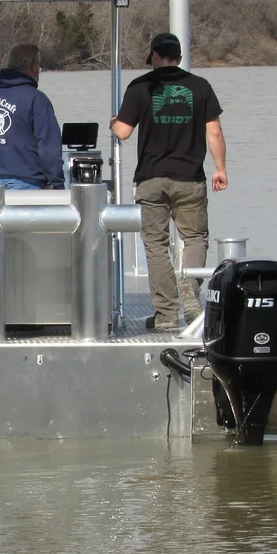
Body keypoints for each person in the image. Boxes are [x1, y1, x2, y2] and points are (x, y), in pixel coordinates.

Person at [109, 32, 227, 332]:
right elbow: (213, 132)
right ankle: (189, 288)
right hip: (191, 178)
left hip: (152, 179)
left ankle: (167, 315)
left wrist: (113, 121)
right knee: (195, 238)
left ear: (156, 56)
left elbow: (122, 132)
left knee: (156, 245)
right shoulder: (200, 87)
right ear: (179, 57)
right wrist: (220, 168)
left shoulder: (141, 87)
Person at [0, 43, 63, 190]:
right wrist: (58, 184)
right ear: (33, 66)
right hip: (28, 186)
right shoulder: (36, 99)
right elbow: (49, 150)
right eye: (39, 66)